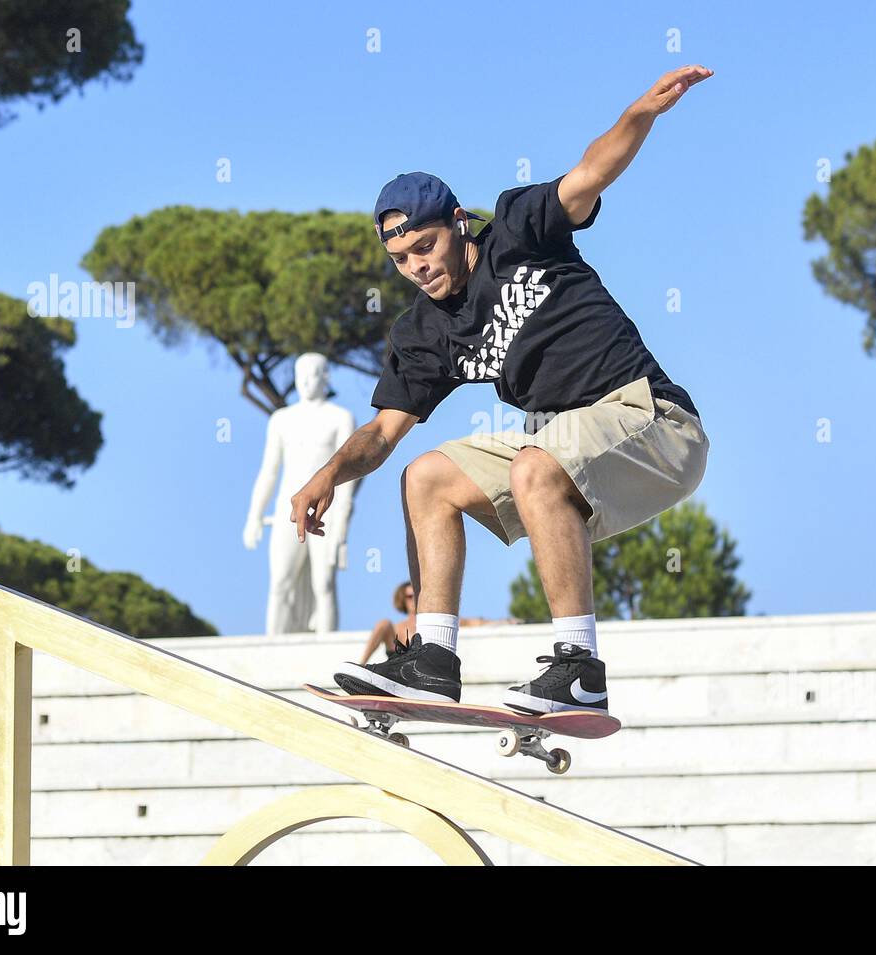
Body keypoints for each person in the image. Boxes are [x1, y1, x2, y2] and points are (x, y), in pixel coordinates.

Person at [290, 65, 713, 715]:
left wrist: (640, 115)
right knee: (426, 475)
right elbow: (381, 433)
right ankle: (432, 657)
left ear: (458, 223)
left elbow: (590, 173)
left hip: (654, 422)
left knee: (536, 465)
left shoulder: (519, 231)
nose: (419, 268)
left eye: (426, 247)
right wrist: (329, 473)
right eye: (402, 261)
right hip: (565, 446)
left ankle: (580, 670)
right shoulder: (425, 333)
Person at [358, 580, 517, 665]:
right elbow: (381, 628)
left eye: (416, 595)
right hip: (396, 667)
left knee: (446, 621)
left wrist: (505, 621)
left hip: (421, 668)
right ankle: (361, 666)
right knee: (383, 623)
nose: (413, 599)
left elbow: (474, 622)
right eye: (409, 596)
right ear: (402, 599)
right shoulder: (394, 628)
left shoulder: (433, 622)